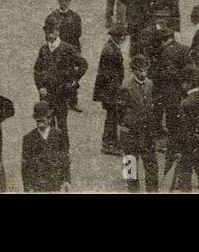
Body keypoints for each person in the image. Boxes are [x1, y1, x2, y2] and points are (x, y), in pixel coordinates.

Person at [34, 23, 88, 130]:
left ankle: (63, 147)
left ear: (58, 32)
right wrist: (40, 87)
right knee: (48, 125)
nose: (49, 34)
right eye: (46, 31)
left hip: (61, 94)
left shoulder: (67, 49)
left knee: (62, 125)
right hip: (46, 95)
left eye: (51, 31)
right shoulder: (43, 49)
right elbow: (37, 70)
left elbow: (83, 64)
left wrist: (72, 82)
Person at [118, 54, 159, 192]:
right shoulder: (126, 87)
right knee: (130, 168)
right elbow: (120, 112)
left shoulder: (150, 84)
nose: (143, 73)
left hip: (147, 132)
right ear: (133, 70)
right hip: (131, 133)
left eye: (145, 70)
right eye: (139, 70)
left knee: (152, 166)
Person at [171, 77, 199, 191]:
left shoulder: (185, 103)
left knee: (185, 176)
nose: (182, 86)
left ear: (188, 83)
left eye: (183, 83)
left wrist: (178, 147)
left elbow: (181, 128)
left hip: (187, 144)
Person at [151, 26, 191, 143]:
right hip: (181, 87)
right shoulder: (184, 48)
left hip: (169, 88)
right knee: (176, 114)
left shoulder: (166, 53)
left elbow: (170, 72)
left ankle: (172, 141)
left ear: (164, 40)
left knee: (170, 114)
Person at [21, 101, 70, 192]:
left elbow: (65, 159)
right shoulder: (28, 138)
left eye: (43, 121)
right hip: (37, 184)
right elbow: (25, 164)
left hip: (56, 182)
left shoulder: (58, 135)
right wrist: (27, 187)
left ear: (50, 119)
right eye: (37, 121)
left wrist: (67, 180)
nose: (40, 124)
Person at [94, 26, 126, 154]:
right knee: (111, 117)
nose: (123, 39)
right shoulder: (110, 51)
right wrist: (116, 90)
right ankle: (108, 143)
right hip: (110, 90)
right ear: (117, 37)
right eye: (122, 37)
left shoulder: (111, 47)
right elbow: (108, 75)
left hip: (109, 89)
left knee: (112, 116)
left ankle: (112, 141)